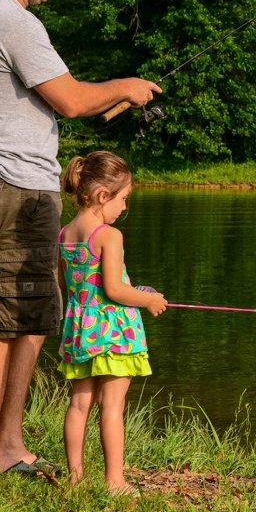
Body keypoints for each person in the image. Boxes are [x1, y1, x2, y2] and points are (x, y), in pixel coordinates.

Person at [0, 0, 160, 477]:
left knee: (34, 314)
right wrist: (124, 88)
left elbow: (37, 102)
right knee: (2, 316)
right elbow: (69, 100)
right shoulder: (10, 21)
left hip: (5, 183)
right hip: (11, 186)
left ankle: (9, 443)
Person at [56, 151, 168, 493]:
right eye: (123, 200)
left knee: (78, 405)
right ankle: (114, 482)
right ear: (103, 196)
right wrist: (147, 299)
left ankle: (75, 478)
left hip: (79, 329)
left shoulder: (64, 234)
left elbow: (68, 286)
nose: (123, 208)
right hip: (113, 333)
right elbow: (115, 290)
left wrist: (131, 291)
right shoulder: (108, 236)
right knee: (112, 406)